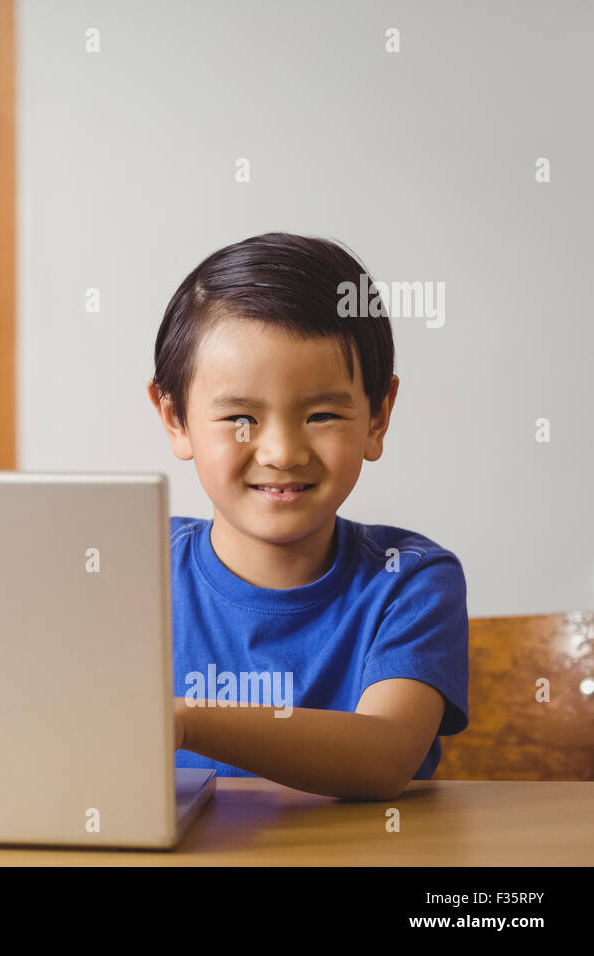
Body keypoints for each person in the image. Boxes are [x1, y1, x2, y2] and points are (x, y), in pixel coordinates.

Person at [150, 232, 468, 799]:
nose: (282, 452)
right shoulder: (126, 565)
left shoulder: (411, 580)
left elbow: (385, 754)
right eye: (240, 417)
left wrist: (183, 720)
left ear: (377, 417)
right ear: (175, 420)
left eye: (321, 414)